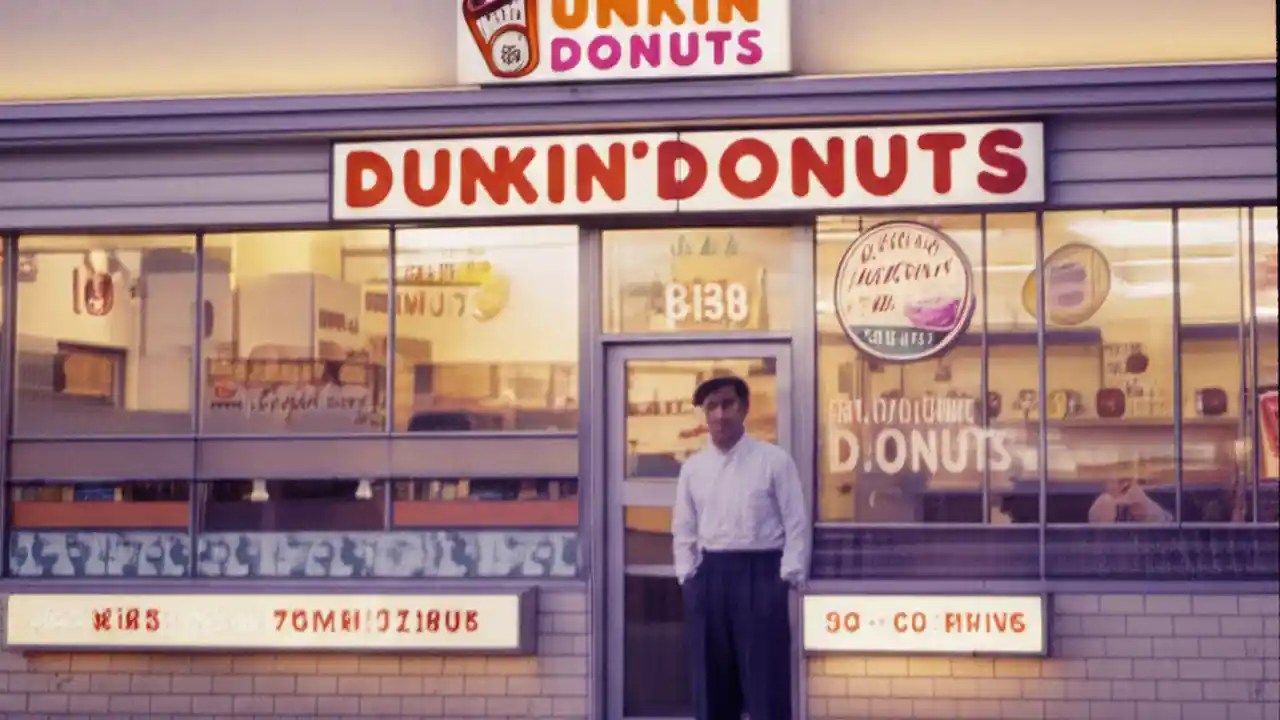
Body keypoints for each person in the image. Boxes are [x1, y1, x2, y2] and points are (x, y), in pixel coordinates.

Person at [672, 374, 810, 720]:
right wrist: (688, 577)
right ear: (704, 415)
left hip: (761, 573)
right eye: (712, 407)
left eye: (728, 404)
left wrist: (788, 575)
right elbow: (684, 527)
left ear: (744, 408)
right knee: (712, 680)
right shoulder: (693, 468)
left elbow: (796, 520)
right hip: (711, 574)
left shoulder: (774, 460)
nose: (720, 414)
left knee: (766, 680)